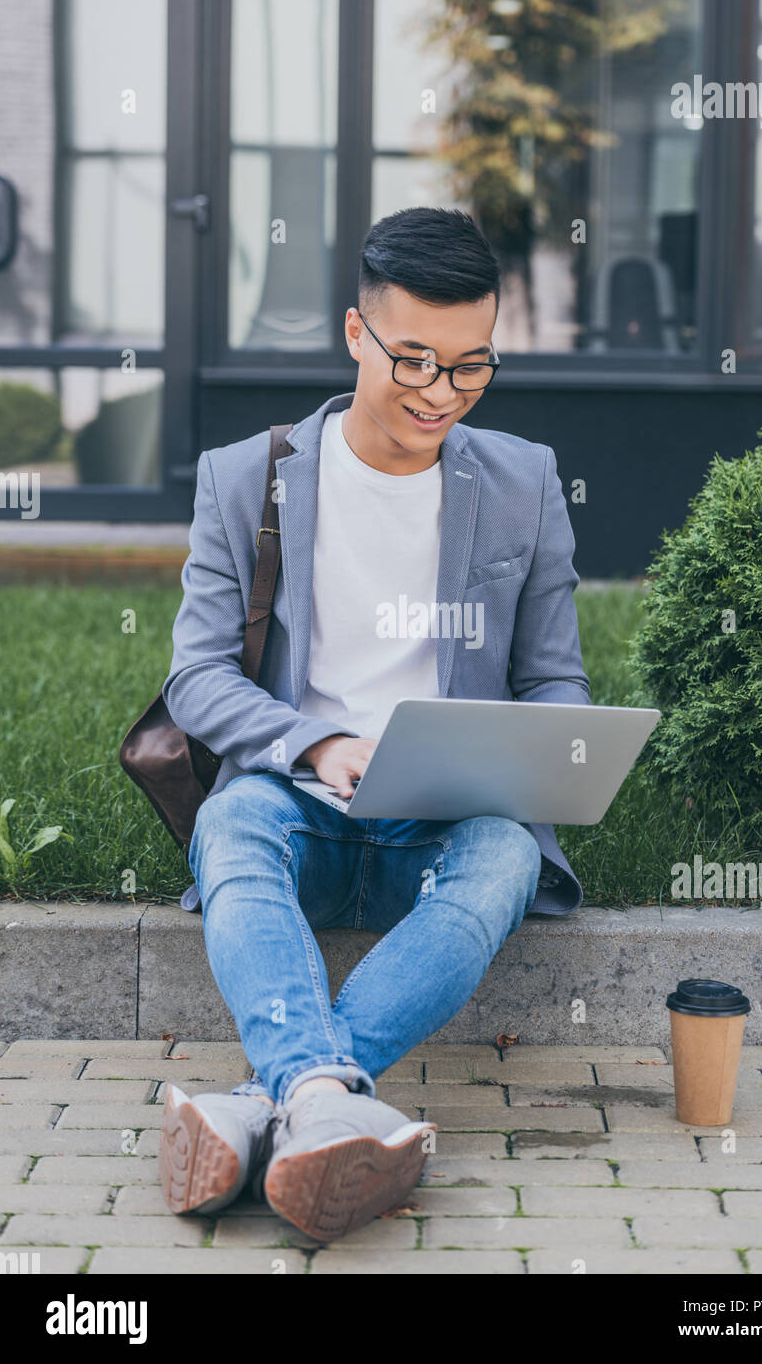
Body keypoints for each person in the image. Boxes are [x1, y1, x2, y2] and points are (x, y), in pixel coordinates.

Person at [157, 207, 590, 1242]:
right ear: (356, 334)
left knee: (503, 858)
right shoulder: (244, 477)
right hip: (301, 803)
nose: (441, 393)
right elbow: (196, 680)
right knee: (232, 826)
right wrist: (315, 743)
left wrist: (549, 753)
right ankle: (327, 1104)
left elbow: (554, 681)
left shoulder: (525, 483)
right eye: (415, 361)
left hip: (440, 824)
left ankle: (284, 1102)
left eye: (471, 367)